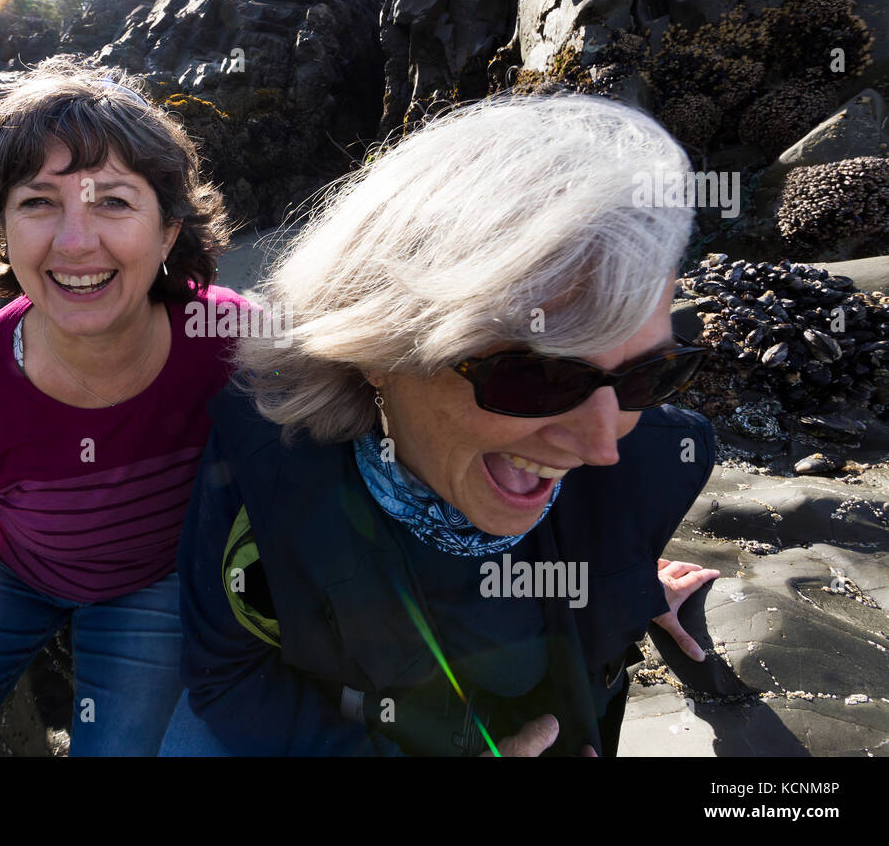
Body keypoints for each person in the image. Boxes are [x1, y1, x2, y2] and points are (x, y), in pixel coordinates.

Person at [160, 92, 721, 757]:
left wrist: (631, 582)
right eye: (537, 377)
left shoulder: (649, 466)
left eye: (646, 376)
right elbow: (229, 674)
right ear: (376, 352)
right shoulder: (263, 470)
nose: (602, 446)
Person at [0, 56, 246, 755]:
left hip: (155, 583)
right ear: (2, 226)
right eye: (37, 202)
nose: (75, 240)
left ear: (169, 229)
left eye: (113, 201)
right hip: (11, 575)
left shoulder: (233, 344)